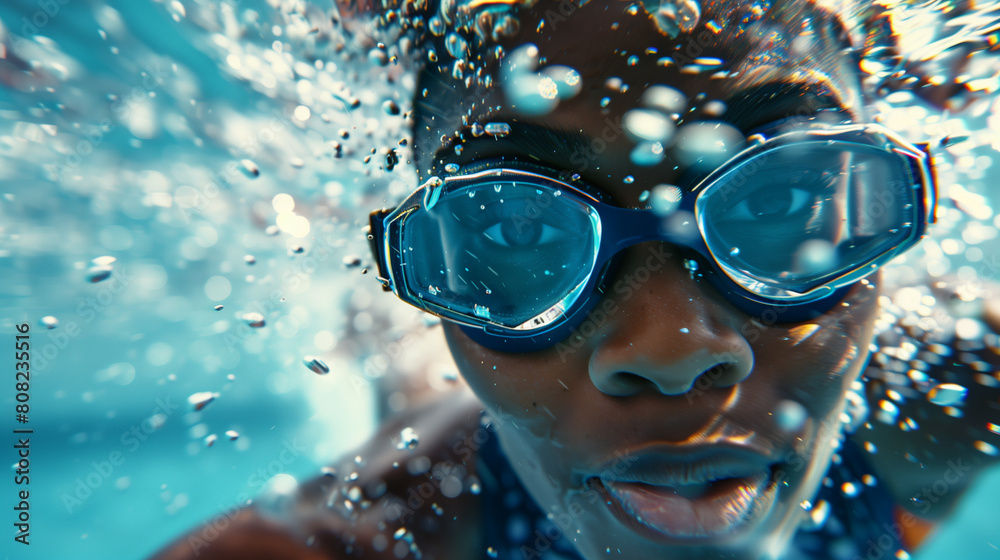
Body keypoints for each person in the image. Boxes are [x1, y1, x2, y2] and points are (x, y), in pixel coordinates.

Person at [151, 0, 1000, 558]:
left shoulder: (952, 391)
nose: (671, 350)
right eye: (511, 226)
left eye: (779, 198)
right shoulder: (398, 522)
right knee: (416, 392)